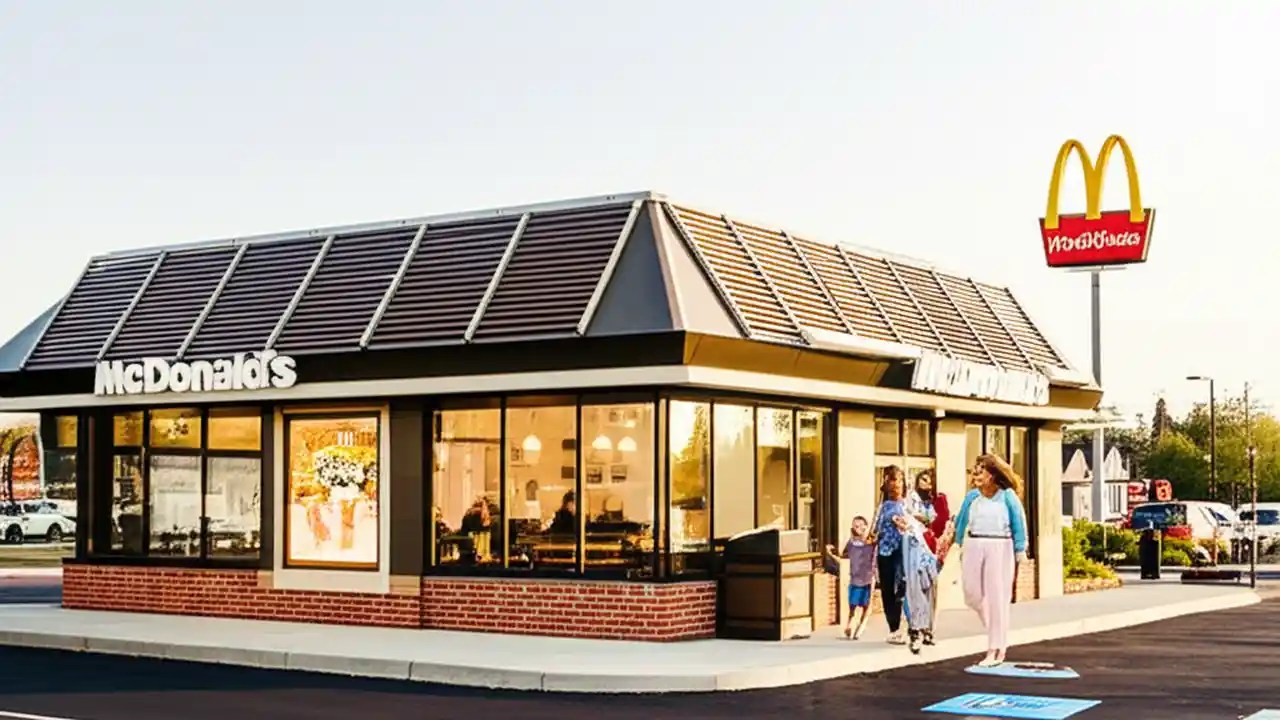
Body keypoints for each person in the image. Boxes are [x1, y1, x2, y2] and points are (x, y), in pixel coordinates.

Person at [952, 453, 1029, 667]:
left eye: (982, 469)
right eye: (975, 468)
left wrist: (1020, 549)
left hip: (1000, 545)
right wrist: (957, 543)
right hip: (974, 543)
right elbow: (961, 521)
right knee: (972, 594)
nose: (977, 473)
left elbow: (1018, 522)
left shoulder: (1007, 496)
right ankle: (995, 628)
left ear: (993, 474)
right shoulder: (972, 497)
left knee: (997, 598)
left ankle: (995, 648)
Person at [871, 465, 912, 645]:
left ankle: (910, 625)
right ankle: (894, 628)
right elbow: (874, 532)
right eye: (892, 480)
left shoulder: (908, 505)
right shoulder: (882, 507)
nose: (896, 484)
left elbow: (917, 524)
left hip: (903, 551)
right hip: (885, 552)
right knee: (887, 590)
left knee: (902, 587)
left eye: (899, 480)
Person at [915, 469, 951, 645]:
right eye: (921, 479)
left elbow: (942, 522)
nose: (924, 483)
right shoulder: (913, 500)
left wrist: (926, 521)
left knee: (932, 590)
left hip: (933, 550)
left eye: (927, 480)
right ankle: (918, 626)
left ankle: (929, 629)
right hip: (915, 549)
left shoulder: (940, 499)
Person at [826, 515, 877, 639]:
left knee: (865, 606)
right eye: (855, 525)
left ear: (865, 527)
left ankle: (860, 627)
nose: (857, 528)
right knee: (852, 606)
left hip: (868, 579)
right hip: (854, 579)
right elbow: (843, 556)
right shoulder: (851, 543)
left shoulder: (871, 542)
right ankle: (849, 626)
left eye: (859, 525)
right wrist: (830, 554)